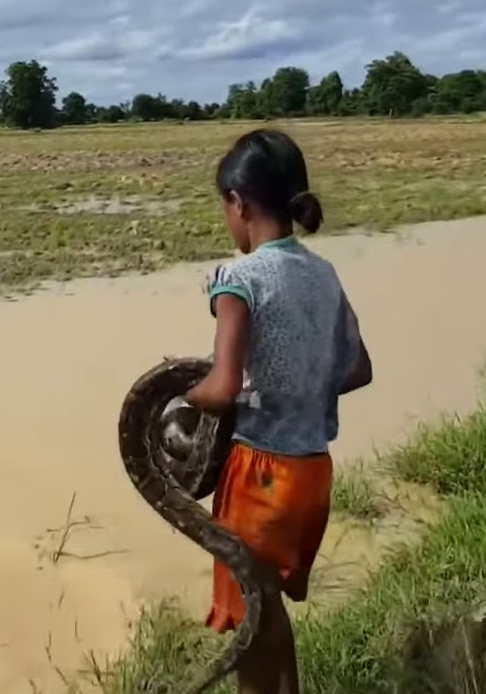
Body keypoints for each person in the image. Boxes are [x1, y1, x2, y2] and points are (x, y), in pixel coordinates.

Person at [182, 128, 372, 694]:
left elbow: (221, 386)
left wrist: (180, 394)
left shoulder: (238, 280)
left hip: (261, 477)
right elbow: (358, 370)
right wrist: (300, 382)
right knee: (268, 614)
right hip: (312, 474)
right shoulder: (323, 274)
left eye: (225, 208)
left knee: (251, 627)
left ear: (238, 204)